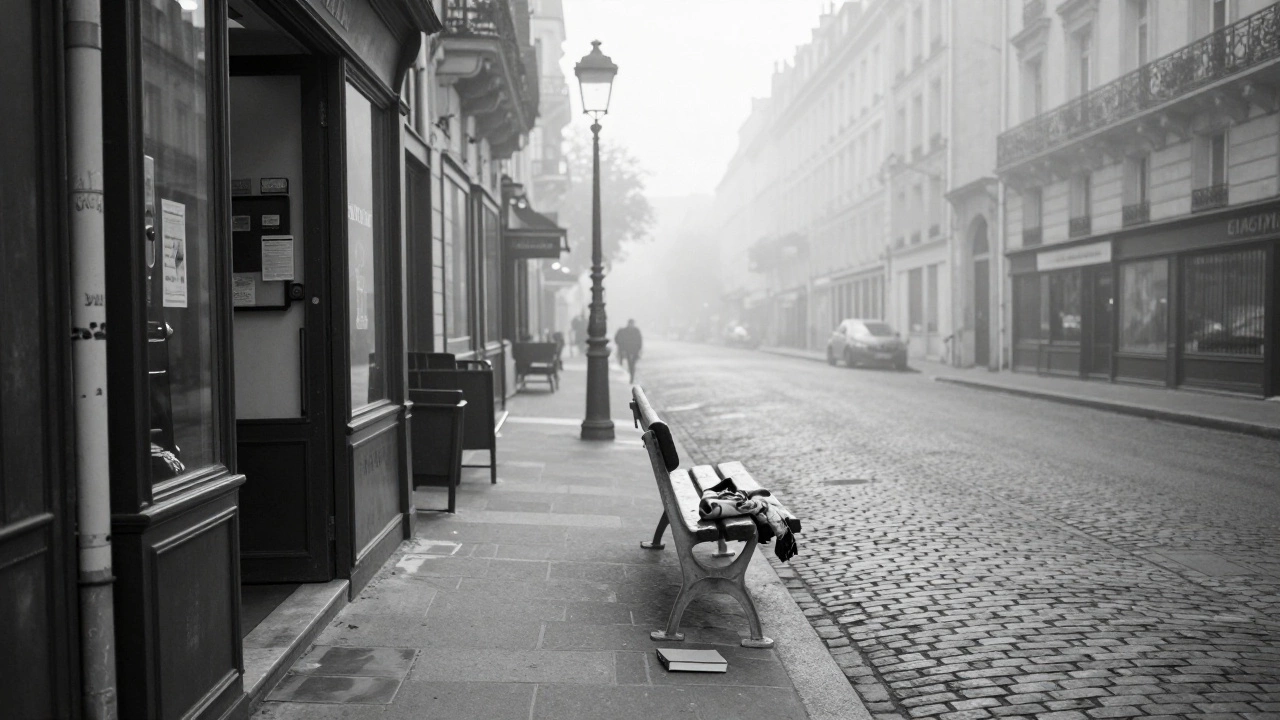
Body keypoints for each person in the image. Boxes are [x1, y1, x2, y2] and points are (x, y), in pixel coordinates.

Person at [614, 318, 643, 384]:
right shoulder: (624, 331)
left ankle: (631, 375)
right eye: (631, 323)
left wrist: (639, 349)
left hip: (634, 350)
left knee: (632, 364)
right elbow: (619, 340)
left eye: (632, 324)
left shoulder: (636, 331)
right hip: (628, 350)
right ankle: (631, 376)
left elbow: (639, 340)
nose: (632, 325)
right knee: (631, 364)